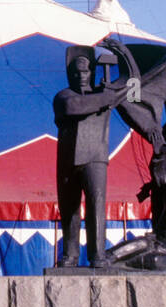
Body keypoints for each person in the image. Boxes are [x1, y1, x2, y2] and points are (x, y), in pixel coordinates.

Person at [52, 47, 132, 268]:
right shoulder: (64, 96)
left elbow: (129, 84)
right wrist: (106, 98)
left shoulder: (105, 94)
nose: (81, 76)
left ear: (92, 72)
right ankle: (70, 254)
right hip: (68, 159)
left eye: (85, 72)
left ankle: (97, 254)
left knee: (97, 205)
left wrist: (124, 57)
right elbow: (73, 106)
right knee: (70, 209)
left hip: (96, 156)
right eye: (76, 72)